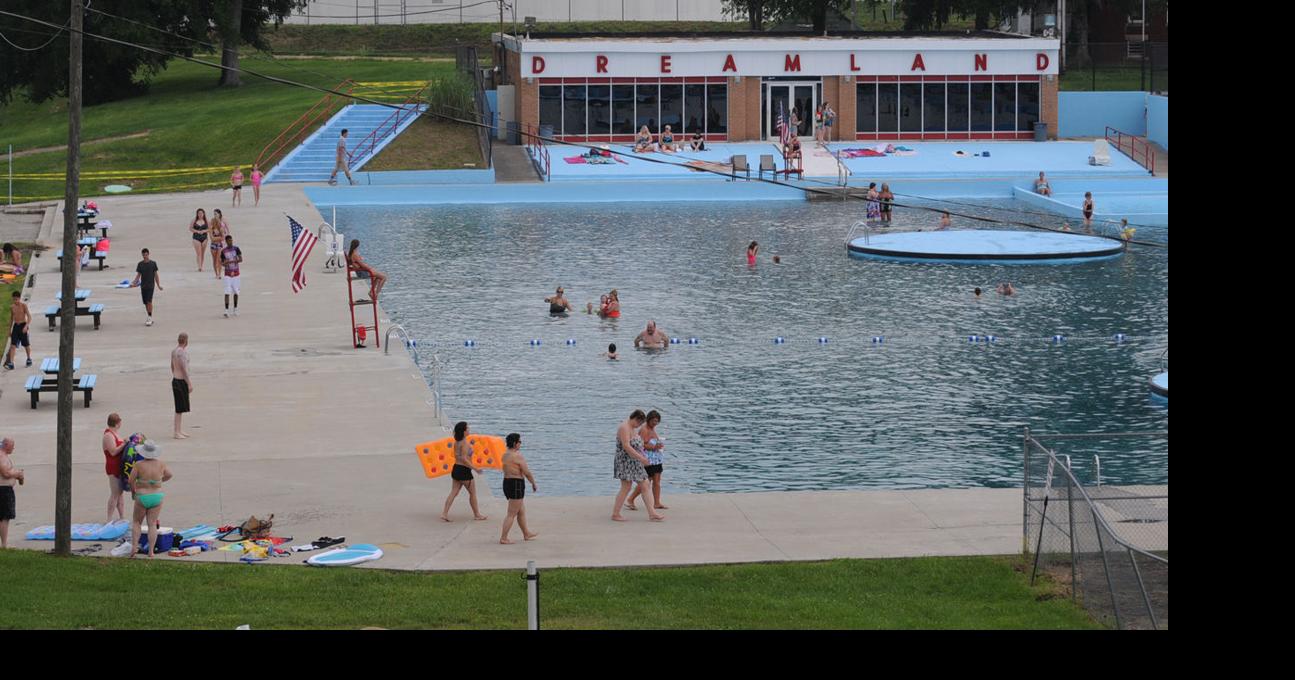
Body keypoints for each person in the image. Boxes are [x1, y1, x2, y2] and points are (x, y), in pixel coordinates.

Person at [611, 410, 663, 522]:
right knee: (626, 486)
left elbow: (638, 446)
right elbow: (626, 446)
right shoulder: (624, 427)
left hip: (635, 462)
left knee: (645, 484)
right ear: (635, 419)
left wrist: (644, 456)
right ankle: (615, 514)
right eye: (639, 423)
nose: (640, 426)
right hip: (625, 462)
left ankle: (652, 513)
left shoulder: (633, 428)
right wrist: (641, 458)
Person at [128, 440, 172, 558]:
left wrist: (133, 492)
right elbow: (169, 475)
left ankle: (134, 547)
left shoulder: (139, 465)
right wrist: (159, 482)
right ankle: (151, 551)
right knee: (152, 524)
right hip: (157, 496)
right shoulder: (161, 464)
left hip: (142, 495)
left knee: (137, 522)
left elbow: (130, 480)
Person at [440, 421, 488, 522]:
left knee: (454, 492)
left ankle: (444, 513)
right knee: (473, 493)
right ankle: (477, 514)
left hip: (456, 469)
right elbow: (464, 459)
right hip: (464, 471)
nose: (469, 429)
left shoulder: (457, 442)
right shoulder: (465, 443)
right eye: (468, 428)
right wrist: (475, 468)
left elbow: (458, 457)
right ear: (464, 431)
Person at [498, 433, 538, 544]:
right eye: (520, 442)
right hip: (516, 484)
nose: (520, 444)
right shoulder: (517, 456)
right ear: (515, 443)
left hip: (507, 483)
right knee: (511, 513)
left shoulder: (505, 455)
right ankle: (503, 538)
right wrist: (533, 483)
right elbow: (527, 472)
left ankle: (526, 533)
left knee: (521, 511)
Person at [625, 410, 667, 511]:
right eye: (653, 421)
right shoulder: (644, 429)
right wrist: (654, 447)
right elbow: (641, 445)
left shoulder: (652, 428)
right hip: (647, 459)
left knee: (657, 481)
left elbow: (652, 442)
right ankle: (630, 499)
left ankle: (656, 503)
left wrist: (659, 445)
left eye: (657, 421)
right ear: (648, 420)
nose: (655, 423)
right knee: (646, 482)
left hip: (656, 459)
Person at [102, 413, 128, 525]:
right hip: (113, 466)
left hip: (119, 466)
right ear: (117, 423)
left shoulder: (115, 434)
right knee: (115, 493)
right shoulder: (108, 435)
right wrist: (124, 444)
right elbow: (113, 451)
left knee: (120, 493)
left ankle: (122, 516)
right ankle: (109, 519)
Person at [0, 438, 24, 548]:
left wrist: (18, 476)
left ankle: (4, 544)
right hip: (3, 491)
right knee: (4, 517)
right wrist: (16, 474)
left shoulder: (5, 457)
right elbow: (5, 473)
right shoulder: (1, 456)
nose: (13, 448)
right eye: (12, 446)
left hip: (6, 490)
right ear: (6, 445)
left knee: (5, 517)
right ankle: (4, 545)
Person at [131, 248, 162, 327]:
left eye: (146, 255)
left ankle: (150, 317)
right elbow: (138, 275)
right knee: (145, 303)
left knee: (149, 301)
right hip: (143, 286)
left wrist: (158, 285)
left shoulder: (153, 264)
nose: (145, 256)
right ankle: (149, 316)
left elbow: (156, 275)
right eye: (144, 255)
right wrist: (133, 283)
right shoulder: (140, 264)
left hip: (151, 286)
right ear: (142, 255)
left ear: (148, 254)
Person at [171, 333, 192, 439]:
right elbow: (184, 368)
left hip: (175, 379)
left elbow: (172, 366)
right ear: (186, 341)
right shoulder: (182, 353)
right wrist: (189, 383)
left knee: (180, 408)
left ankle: (179, 430)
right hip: (181, 381)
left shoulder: (174, 351)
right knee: (179, 408)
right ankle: (176, 432)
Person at [5, 291, 31, 370]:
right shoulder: (12, 307)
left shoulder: (24, 306)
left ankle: (29, 358)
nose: (15, 301)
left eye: (16, 299)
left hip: (23, 325)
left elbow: (29, 317)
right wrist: (9, 330)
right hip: (16, 327)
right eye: (14, 299)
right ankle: (11, 363)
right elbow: (11, 319)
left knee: (26, 344)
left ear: (19, 298)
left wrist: (26, 326)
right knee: (13, 345)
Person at [220, 235, 243, 318]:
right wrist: (225, 263)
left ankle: (235, 308)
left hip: (236, 273)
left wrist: (233, 260)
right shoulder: (223, 251)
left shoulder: (236, 249)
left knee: (236, 292)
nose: (230, 242)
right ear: (226, 241)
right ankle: (226, 310)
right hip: (228, 274)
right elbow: (222, 263)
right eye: (229, 240)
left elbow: (241, 259)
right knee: (227, 291)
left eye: (231, 240)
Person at [209, 209, 230, 279]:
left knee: (219, 259)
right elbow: (211, 237)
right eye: (214, 214)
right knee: (214, 260)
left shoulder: (222, 223)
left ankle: (219, 274)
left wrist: (221, 238)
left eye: (216, 214)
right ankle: (216, 274)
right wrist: (218, 238)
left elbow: (225, 234)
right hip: (213, 244)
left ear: (219, 214)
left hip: (221, 243)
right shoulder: (212, 223)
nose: (215, 215)